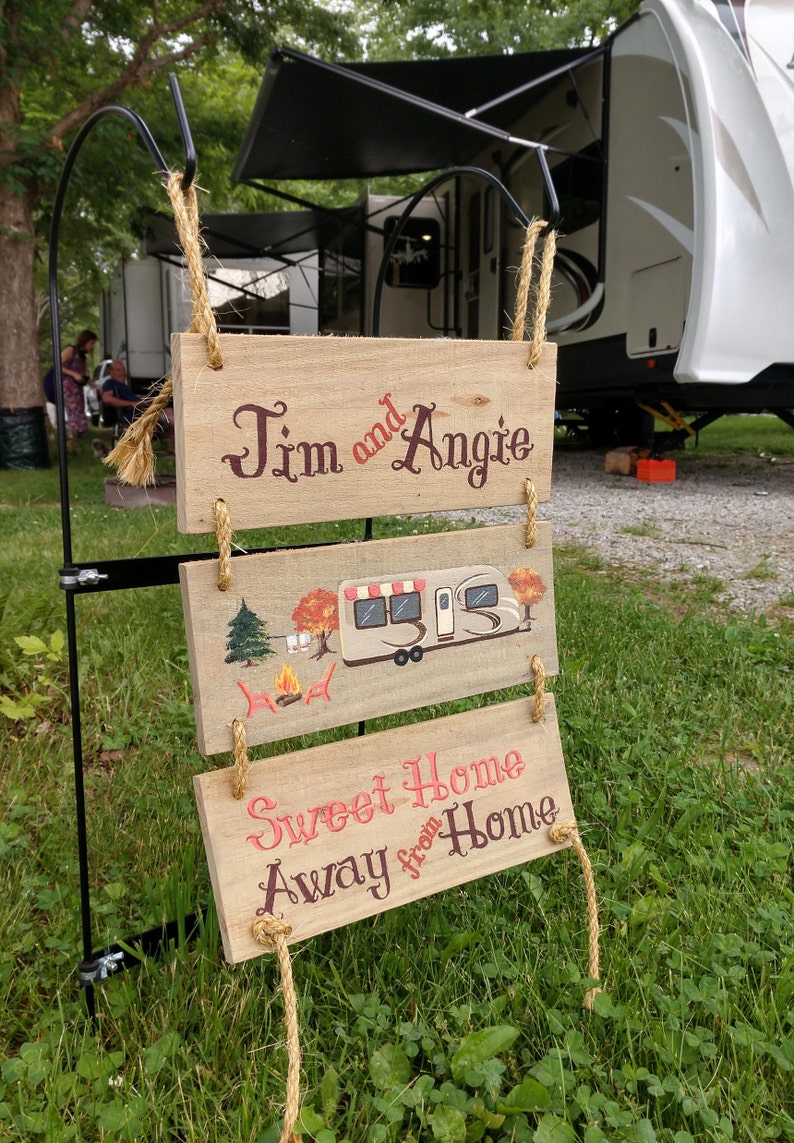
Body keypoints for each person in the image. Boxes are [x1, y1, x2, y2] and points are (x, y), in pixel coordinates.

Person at [58, 329, 98, 441]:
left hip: (77, 389)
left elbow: (83, 376)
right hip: (68, 388)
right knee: (74, 414)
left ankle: (78, 439)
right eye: (91, 343)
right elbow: (57, 365)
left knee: (80, 413)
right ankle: (72, 438)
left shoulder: (82, 357)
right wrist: (74, 374)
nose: (92, 347)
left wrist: (95, 386)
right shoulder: (71, 350)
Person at [100, 360, 143, 431]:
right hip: (132, 417)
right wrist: (133, 404)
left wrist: (143, 401)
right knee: (167, 415)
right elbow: (107, 399)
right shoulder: (110, 383)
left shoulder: (124, 387)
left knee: (167, 411)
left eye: (123, 370)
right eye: (119, 370)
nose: (123, 373)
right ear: (111, 372)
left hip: (143, 412)